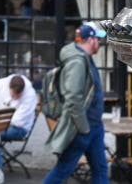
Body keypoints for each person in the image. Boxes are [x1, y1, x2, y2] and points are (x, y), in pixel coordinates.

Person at [43, 22, 108, 184]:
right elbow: (73, 98)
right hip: (81, 128)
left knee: (100, 169)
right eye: (97, 39)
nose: (99, 43)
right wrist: (83, 127)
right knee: (63, 169)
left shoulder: (85, 58)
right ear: (89, 39)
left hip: (94, 126)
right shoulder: (77, 62)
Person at [0, 74, 36, 184]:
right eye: (13, 95)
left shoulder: (30, 95)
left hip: (19, 129)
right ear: (8, 86)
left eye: (18, 96)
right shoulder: (1, 84)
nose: (15, 98)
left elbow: (18, 121)